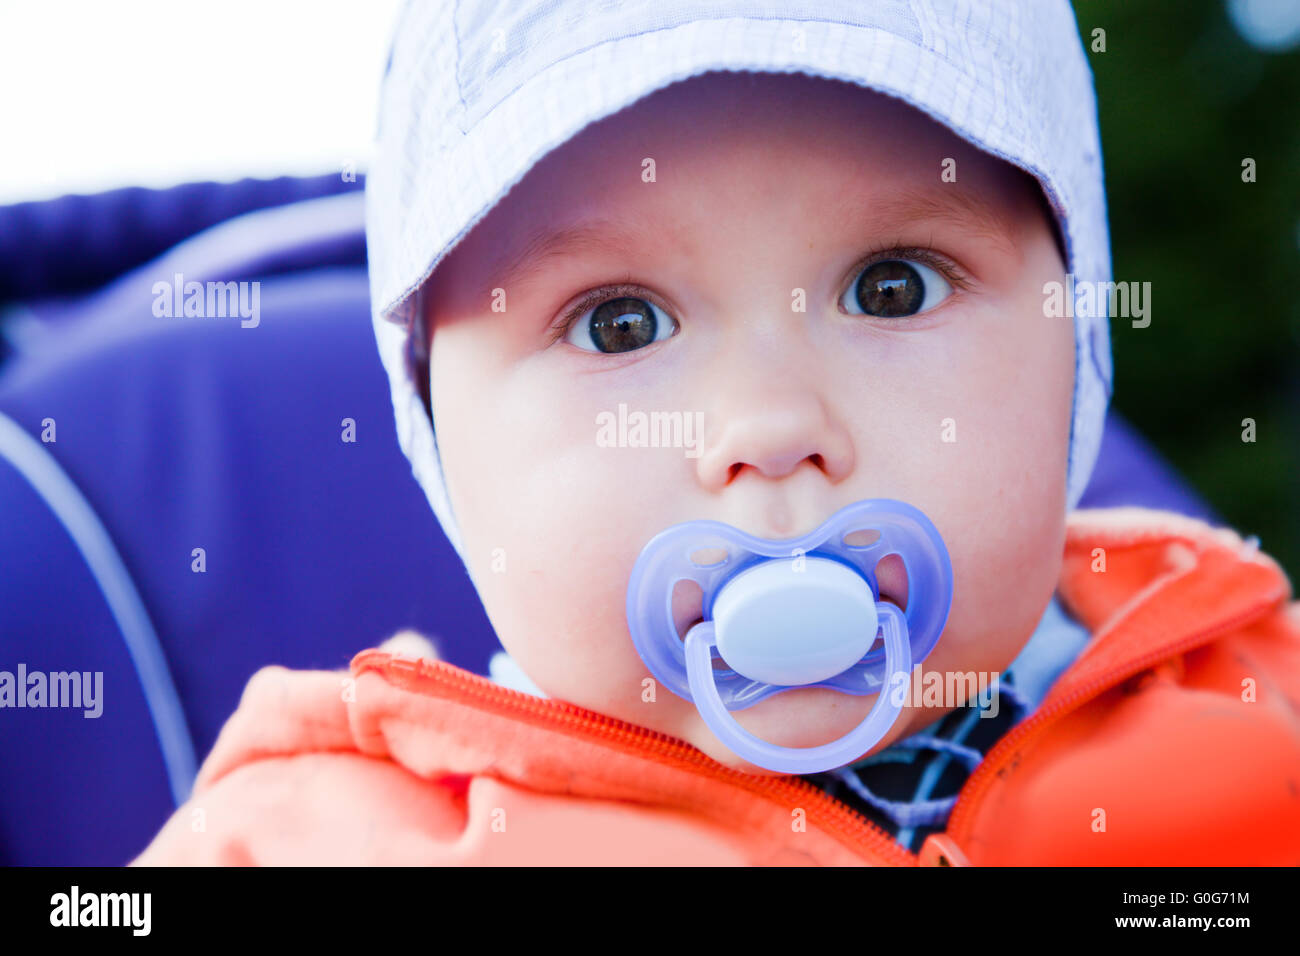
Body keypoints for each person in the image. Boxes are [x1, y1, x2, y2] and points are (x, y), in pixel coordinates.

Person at [132, 0, 1300, 865]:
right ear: (437, 440)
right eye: (618, 322)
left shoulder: (1256, 691)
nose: (771, 425)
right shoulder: (318, 843)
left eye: (891, 287)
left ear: (1077, 356)